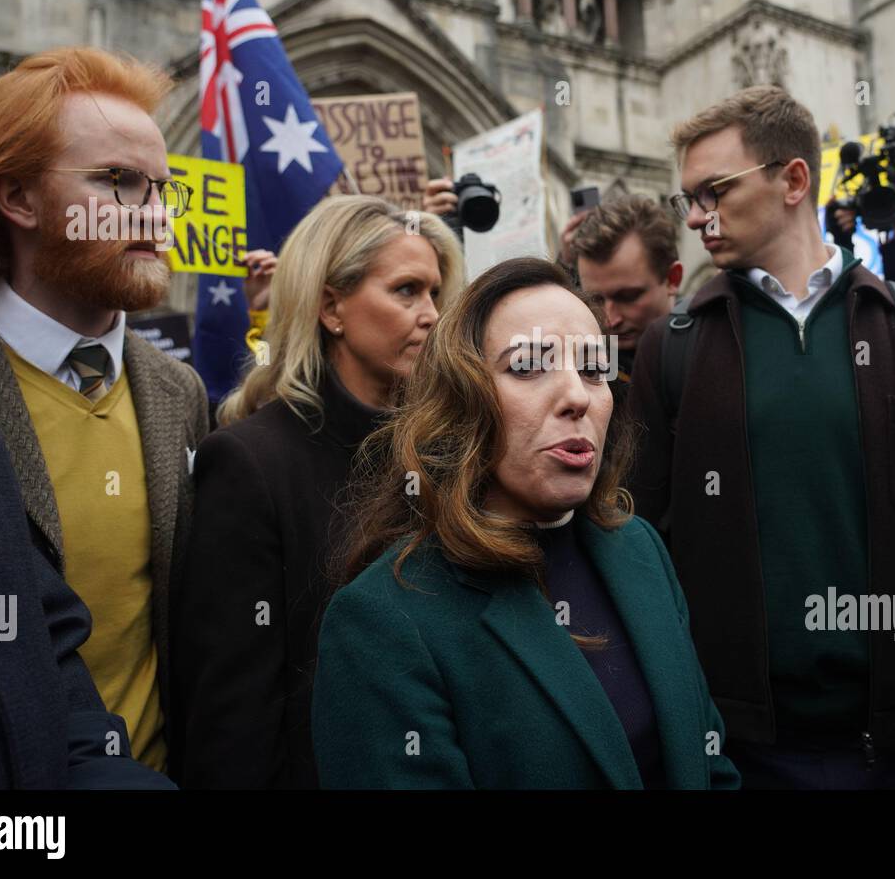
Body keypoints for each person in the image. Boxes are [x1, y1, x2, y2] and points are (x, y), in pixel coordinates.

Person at [627, 85, 895, 789]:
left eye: (714, 191)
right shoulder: (672, 349)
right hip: (743, 756)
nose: (697, 217)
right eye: (687, 200)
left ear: (794, 179)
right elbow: (641, 555)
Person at [313, 257, 739, 789]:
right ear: (461, 401)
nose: (577, 396)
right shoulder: (383, 621)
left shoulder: (639, 549)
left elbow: (710, 763)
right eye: (528, 367)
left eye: (592, 369)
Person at [0, 0, 169, 789]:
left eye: (161, 189)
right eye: (116, 185)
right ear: (16, 196)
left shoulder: (183, 394)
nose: (153, 215)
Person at [173, 195, 463, 788]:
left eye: (435, 292)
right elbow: (233, 715)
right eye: (407, 290)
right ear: (331, 306)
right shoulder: (250, 461)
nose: (432, 313)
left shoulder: (449, 452)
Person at [570, 195, 683, 406]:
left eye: (628, 297)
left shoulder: (714, 354)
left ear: (672, 279)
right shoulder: (576, 369)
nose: (610, 320)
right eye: (595, 300)